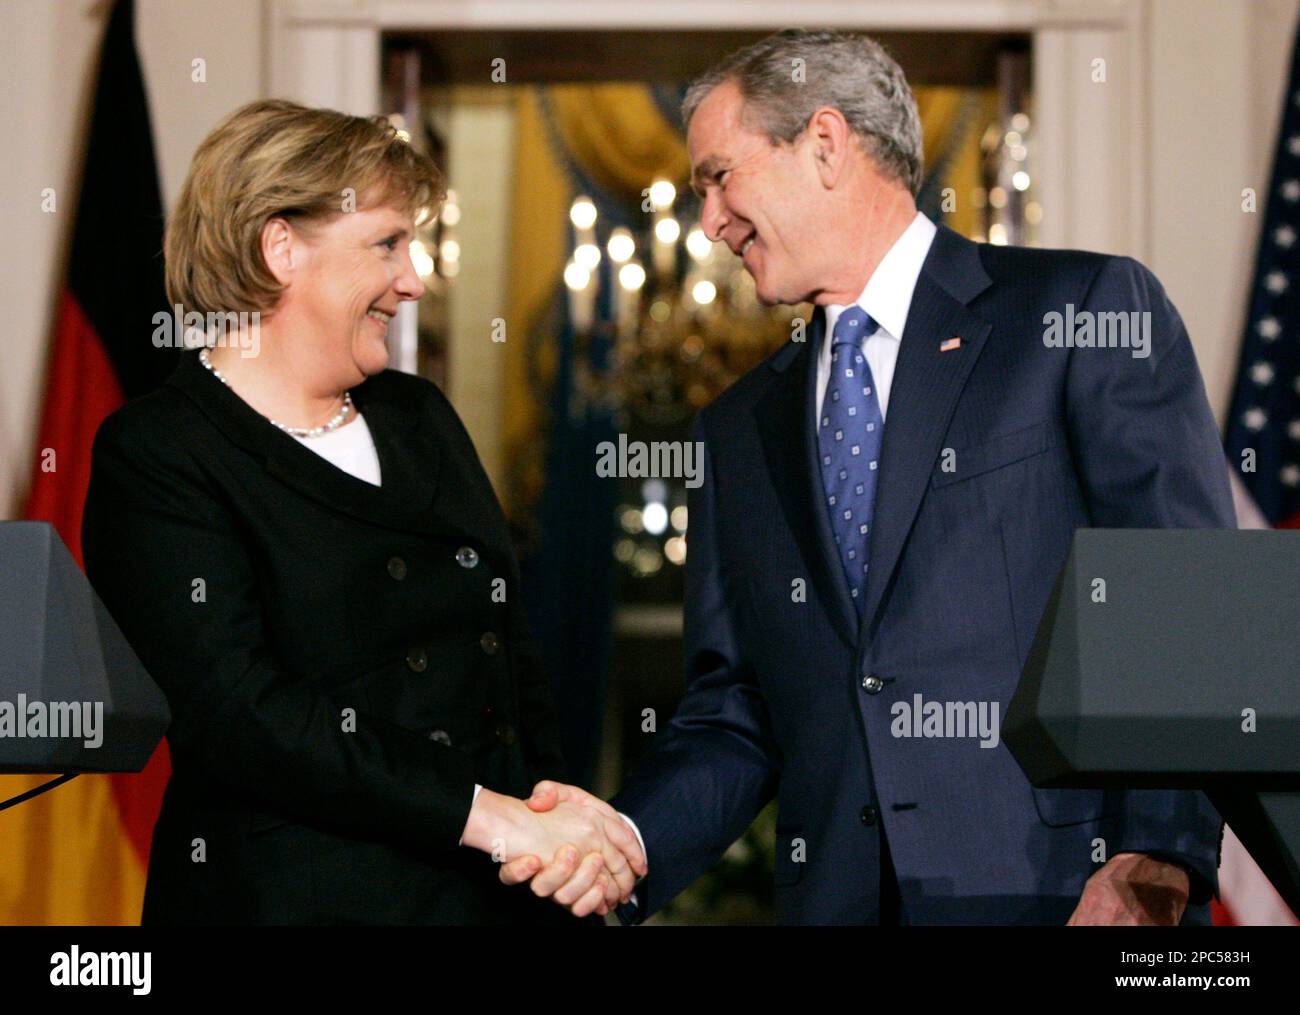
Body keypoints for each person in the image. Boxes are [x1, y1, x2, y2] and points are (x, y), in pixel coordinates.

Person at [503, 29, 1229, 925]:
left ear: (825, 144)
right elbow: (734, 711)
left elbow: (1184, 597)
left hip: (1065, 898)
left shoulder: (1080, 312)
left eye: (719, 176)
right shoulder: (736, 428)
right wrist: (624, 840)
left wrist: (1155, 859)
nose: (711, 221)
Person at [81, 99, 644, 925]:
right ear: (281, 248)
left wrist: (554, 833)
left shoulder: (419, 417)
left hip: (493, 899)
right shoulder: (159, 452)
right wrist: (487, 814)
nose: (414, 280)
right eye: (387, 243)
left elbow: (509, 663)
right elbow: (241, 714)